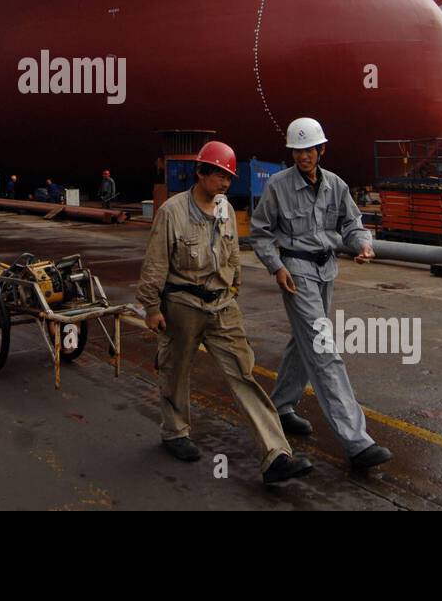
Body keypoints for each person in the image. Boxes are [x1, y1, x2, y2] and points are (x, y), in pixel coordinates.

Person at [137, 140, 311, 485]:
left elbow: (232, 255)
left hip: (221, 306)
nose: (226, 183)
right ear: (201, 173)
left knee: (243, 375)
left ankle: (276, 454)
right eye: (219, 176)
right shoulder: (172, 212)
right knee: (175, 369)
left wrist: (233, 289)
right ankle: (175, 433)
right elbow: (156, 263)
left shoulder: (225, 209)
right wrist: (152, 307)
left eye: (229, 178)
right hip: (182, 304)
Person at [250, 117, 392, 471]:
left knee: (304, 341)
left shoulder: (336, 186)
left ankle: (281, 406)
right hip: (296, 272)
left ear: (321, 150)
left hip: (327, 269)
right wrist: (277, 267)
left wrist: (362, 244)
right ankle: (357, 441)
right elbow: (261, 232)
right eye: (297, 152)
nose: (303, 158)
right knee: (324, 349)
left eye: (309, 151)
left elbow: (351, 223)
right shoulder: (278, 188)